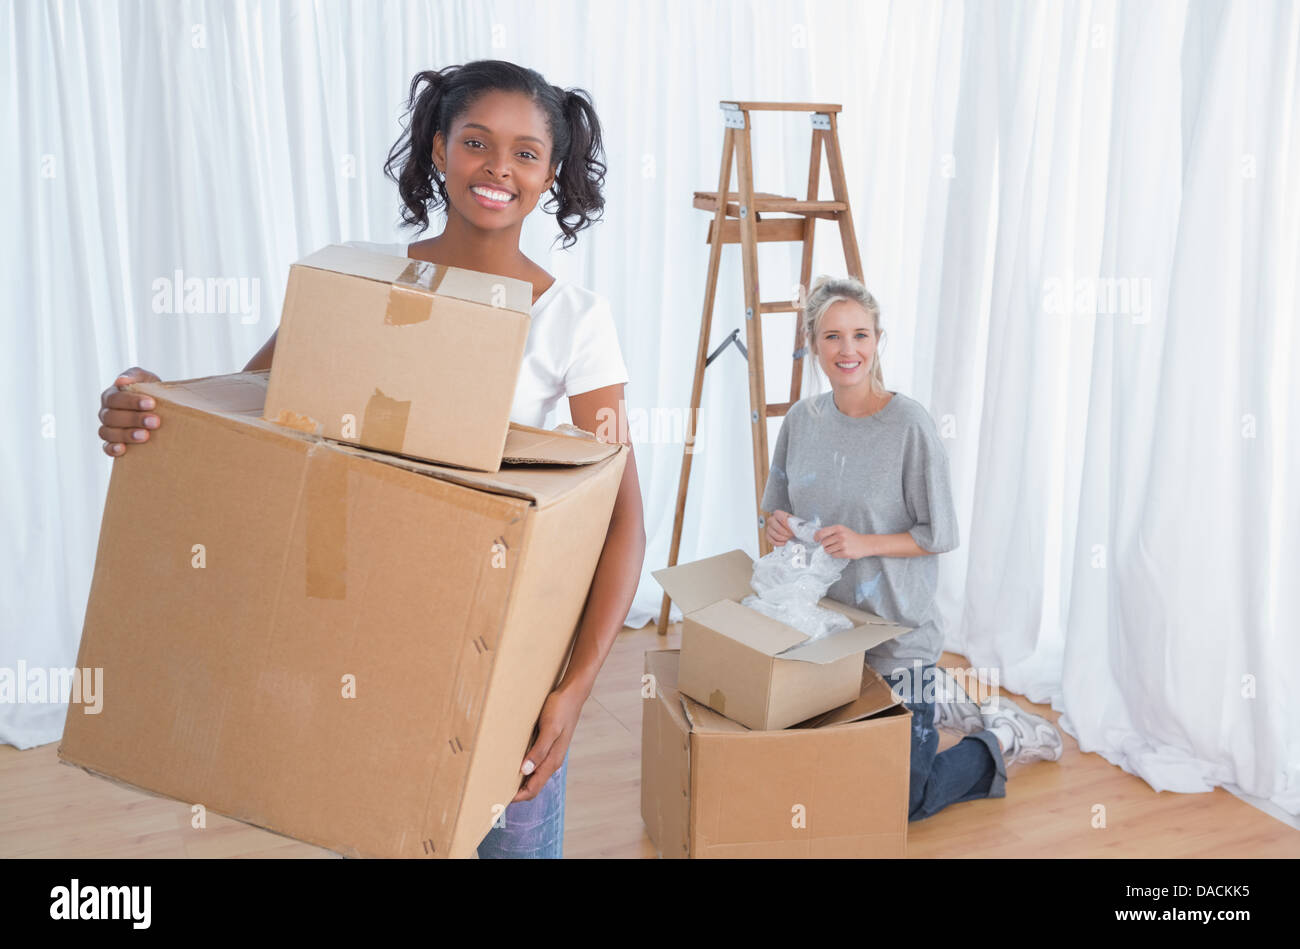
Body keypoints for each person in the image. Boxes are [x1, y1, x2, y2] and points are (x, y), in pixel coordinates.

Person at [95, 60, 646, 858]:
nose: (498, 168)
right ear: (436, 148)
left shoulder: (574, 322)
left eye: (526, 153)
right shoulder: (361, 284)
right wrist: (151, 404)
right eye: (476, 142)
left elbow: (622, 516)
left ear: (551, 173)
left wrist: (574, 688)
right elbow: (247, 418)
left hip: (507, 672)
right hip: (373, 653)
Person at [760, 276, 1061, 822]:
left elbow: (939, 534)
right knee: (818, 782)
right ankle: (938, 703)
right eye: (832, 336)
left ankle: (1001, 738)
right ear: (812, 343)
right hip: (824, 639)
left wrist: (863, 543)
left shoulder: (909, 426)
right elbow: (774, 509)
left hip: (899, 641)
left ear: (878, 341)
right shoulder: (802, 421)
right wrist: (778, 525)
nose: (847, 350)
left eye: (860, 335)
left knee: (901, 800)